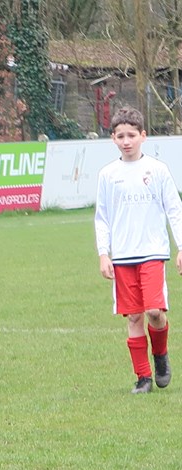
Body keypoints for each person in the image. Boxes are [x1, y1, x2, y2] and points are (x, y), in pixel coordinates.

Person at [94, 105, 182, 394]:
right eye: (120, 136)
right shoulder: (108, 174)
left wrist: (181, 247)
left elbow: (174, 210)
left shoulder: (157, 170)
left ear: (143, 136)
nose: (126, 141)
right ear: (113, 139)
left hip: (153, 253)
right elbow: (102, 217)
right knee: (133, 317)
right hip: (122, 257)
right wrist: (103, 253)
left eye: (132, 135)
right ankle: (143, 378)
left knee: (155, 312)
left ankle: (160, 356)